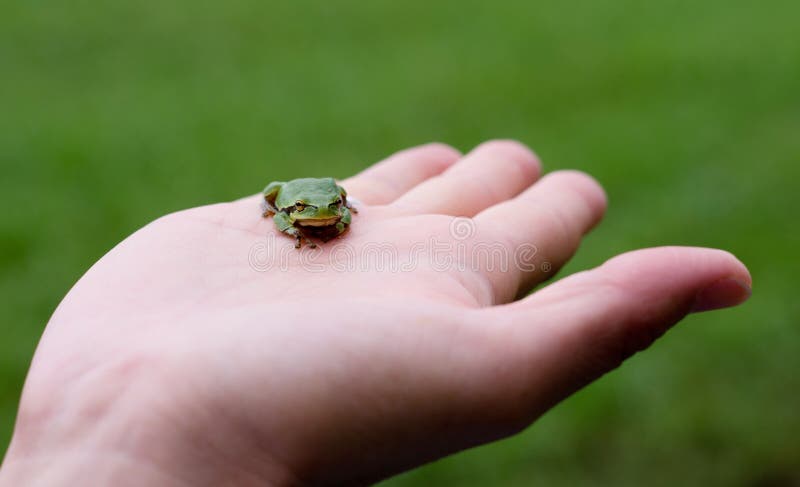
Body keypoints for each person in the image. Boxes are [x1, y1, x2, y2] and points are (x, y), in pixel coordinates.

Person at [0, 140, 751, 486]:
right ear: (297, 214)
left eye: (321, 216)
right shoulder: (294, 212)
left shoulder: (332, 210)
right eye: (308, 216)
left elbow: (341, 209)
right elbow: (291, 209)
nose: (318, 222)